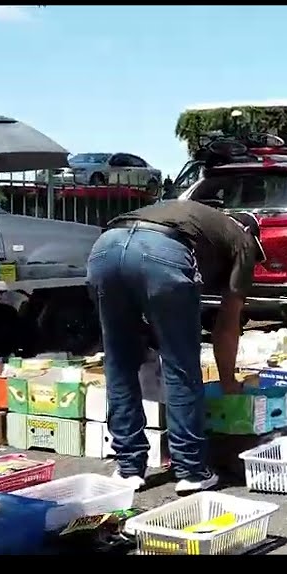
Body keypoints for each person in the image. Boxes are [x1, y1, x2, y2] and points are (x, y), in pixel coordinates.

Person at [89, 199, 264, 495]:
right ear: (251, 232)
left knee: (120, 361)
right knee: (180, 364)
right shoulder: (244, 241)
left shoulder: (198, 220)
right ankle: (191, 470)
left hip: (105, 248)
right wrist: (227, 382)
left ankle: (129, 468)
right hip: (162, 251)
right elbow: (227, 327)